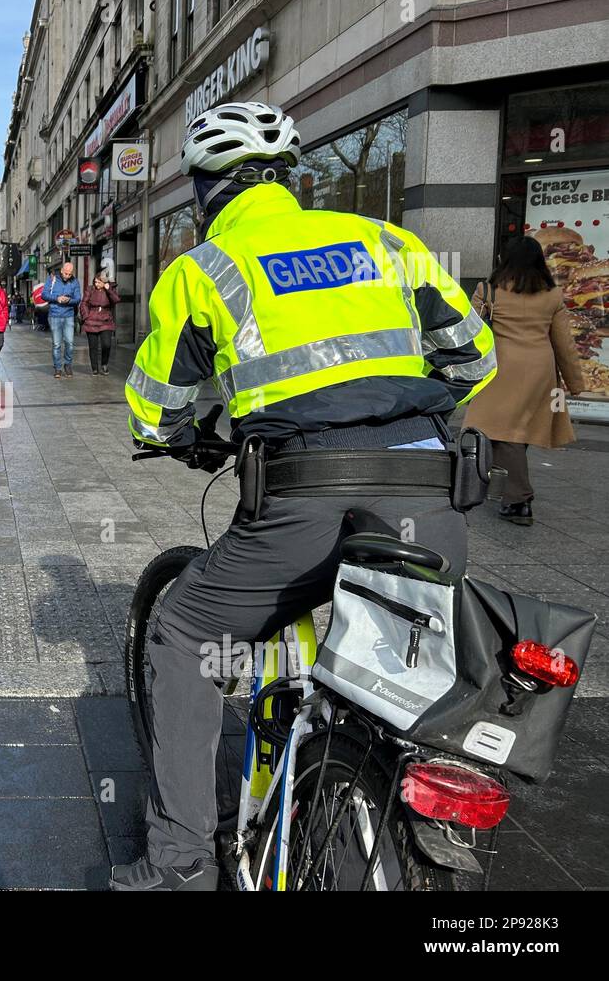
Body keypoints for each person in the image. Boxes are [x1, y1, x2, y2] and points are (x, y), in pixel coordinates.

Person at [112, 101, 495, 891]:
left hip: (304, 505)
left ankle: (180, 861)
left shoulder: (206, 268)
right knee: (396, 674)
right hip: (429, 496)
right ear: (293, 181)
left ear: (206, 194)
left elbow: (152, 409)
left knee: (182, 632)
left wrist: (191, 434)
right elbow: (475, 356)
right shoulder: (388, 242)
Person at [463, 235, 586, 525]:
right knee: (515, 431)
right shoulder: (552, 294)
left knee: (499, 431)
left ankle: (519, 498)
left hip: (501, 371)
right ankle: (507, 488)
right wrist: (575, 382)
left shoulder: (488, 290)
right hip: (540, 371)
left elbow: (471, 330)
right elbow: (564, 344)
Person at [44, 262, 81, 377]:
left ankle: (68, 364)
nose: (67, 276)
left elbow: (78, 298)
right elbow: (44, 295)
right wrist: (57, 298)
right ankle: (58, 368)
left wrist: (68, 300)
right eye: (66, 273)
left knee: (69, 343)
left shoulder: (74, 281)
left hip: (69, 315)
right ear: (61, 270)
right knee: (56, 344)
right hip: (54, 314)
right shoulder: (52, 279)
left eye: (70, 274)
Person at [81, 272, 121, 375]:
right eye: (95, 282)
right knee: (93, 346)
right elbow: (84, 303)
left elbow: (116, 300)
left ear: (104, 282)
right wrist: (86, 316)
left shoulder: (109, 289)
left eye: (99, 282)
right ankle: (94, 368)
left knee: (106, 344)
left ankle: (104, 364)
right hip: (91, 319)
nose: (96, 284)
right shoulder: (90, 289)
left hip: (105, 320)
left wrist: (108, 289)